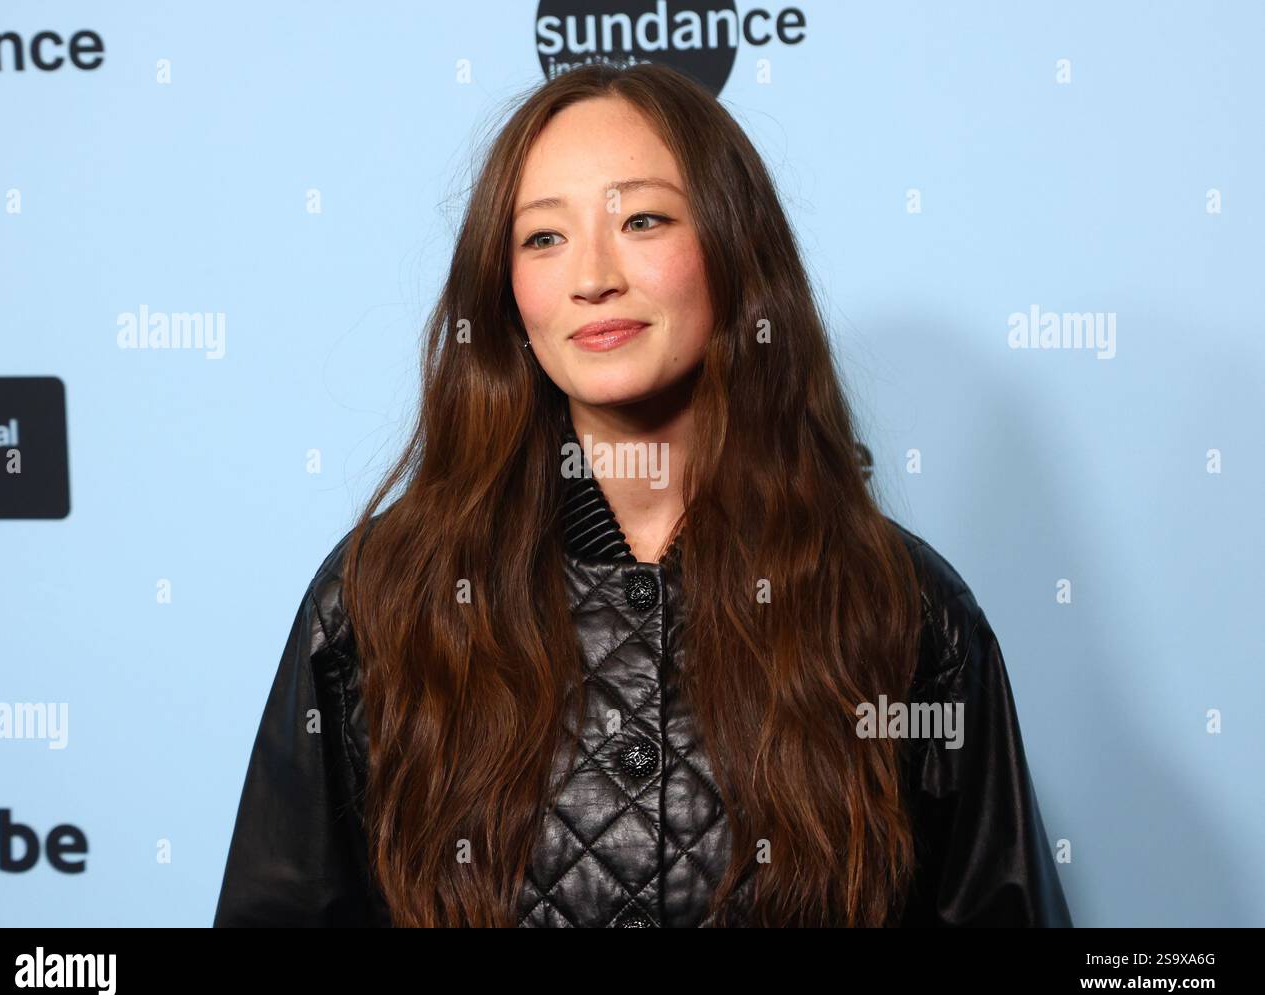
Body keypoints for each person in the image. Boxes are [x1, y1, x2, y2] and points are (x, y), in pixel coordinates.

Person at [213, 62, 1072, 928]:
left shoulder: (901, 605)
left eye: (643, 219)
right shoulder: (383, 601)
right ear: (505, 291)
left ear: (735, 251)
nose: (593, 275)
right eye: (543, 237)